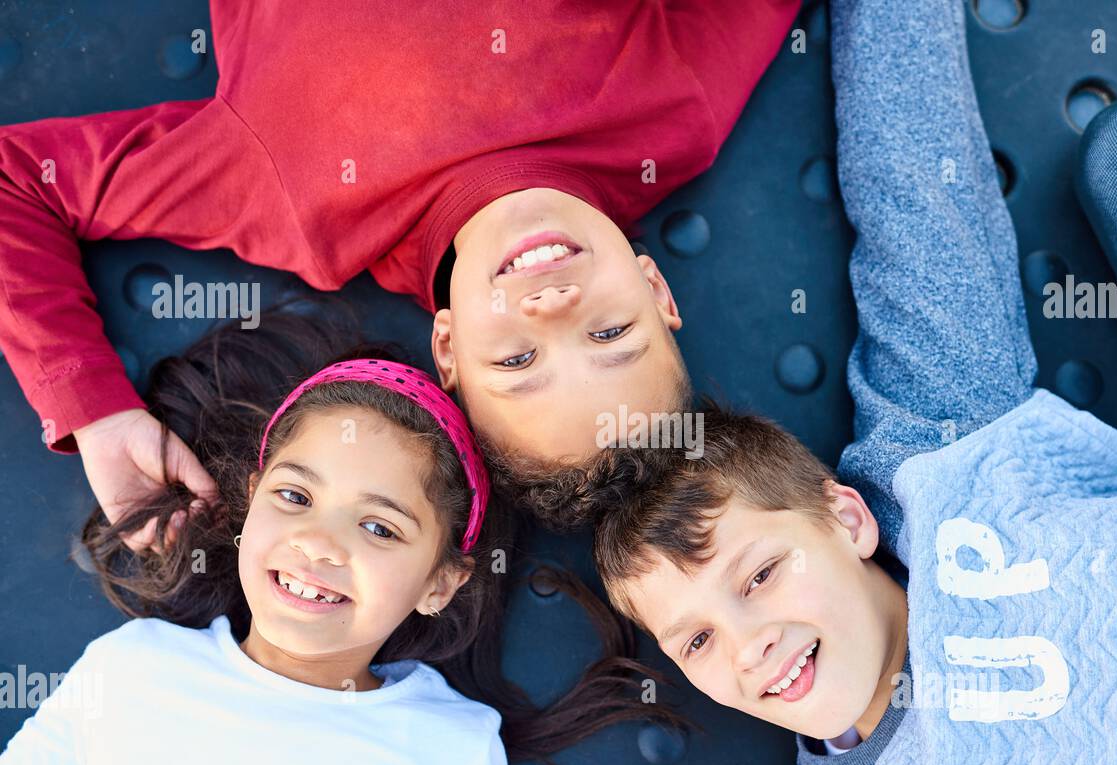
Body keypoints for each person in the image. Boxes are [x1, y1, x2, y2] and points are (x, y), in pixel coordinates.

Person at [590, 0, 1117, 765]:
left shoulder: (932, 453)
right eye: (695, 640)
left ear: (847, 519)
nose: (748, 645)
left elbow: (915, 191)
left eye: (762, 573)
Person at [0, 0, 801, 550]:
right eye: (610, 332)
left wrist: (95, 413)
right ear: (657, 290)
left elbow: (18, 180)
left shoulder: (300, 204)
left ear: (447, 350)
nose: (553, 305)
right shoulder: (676, 110)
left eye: (518, 360)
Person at [0, 304, 681, 765]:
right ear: (249, 500)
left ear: (441, 582)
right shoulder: (130, 669)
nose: (320, 542)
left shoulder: (451, 748)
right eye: (294, 495)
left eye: (380, 528)